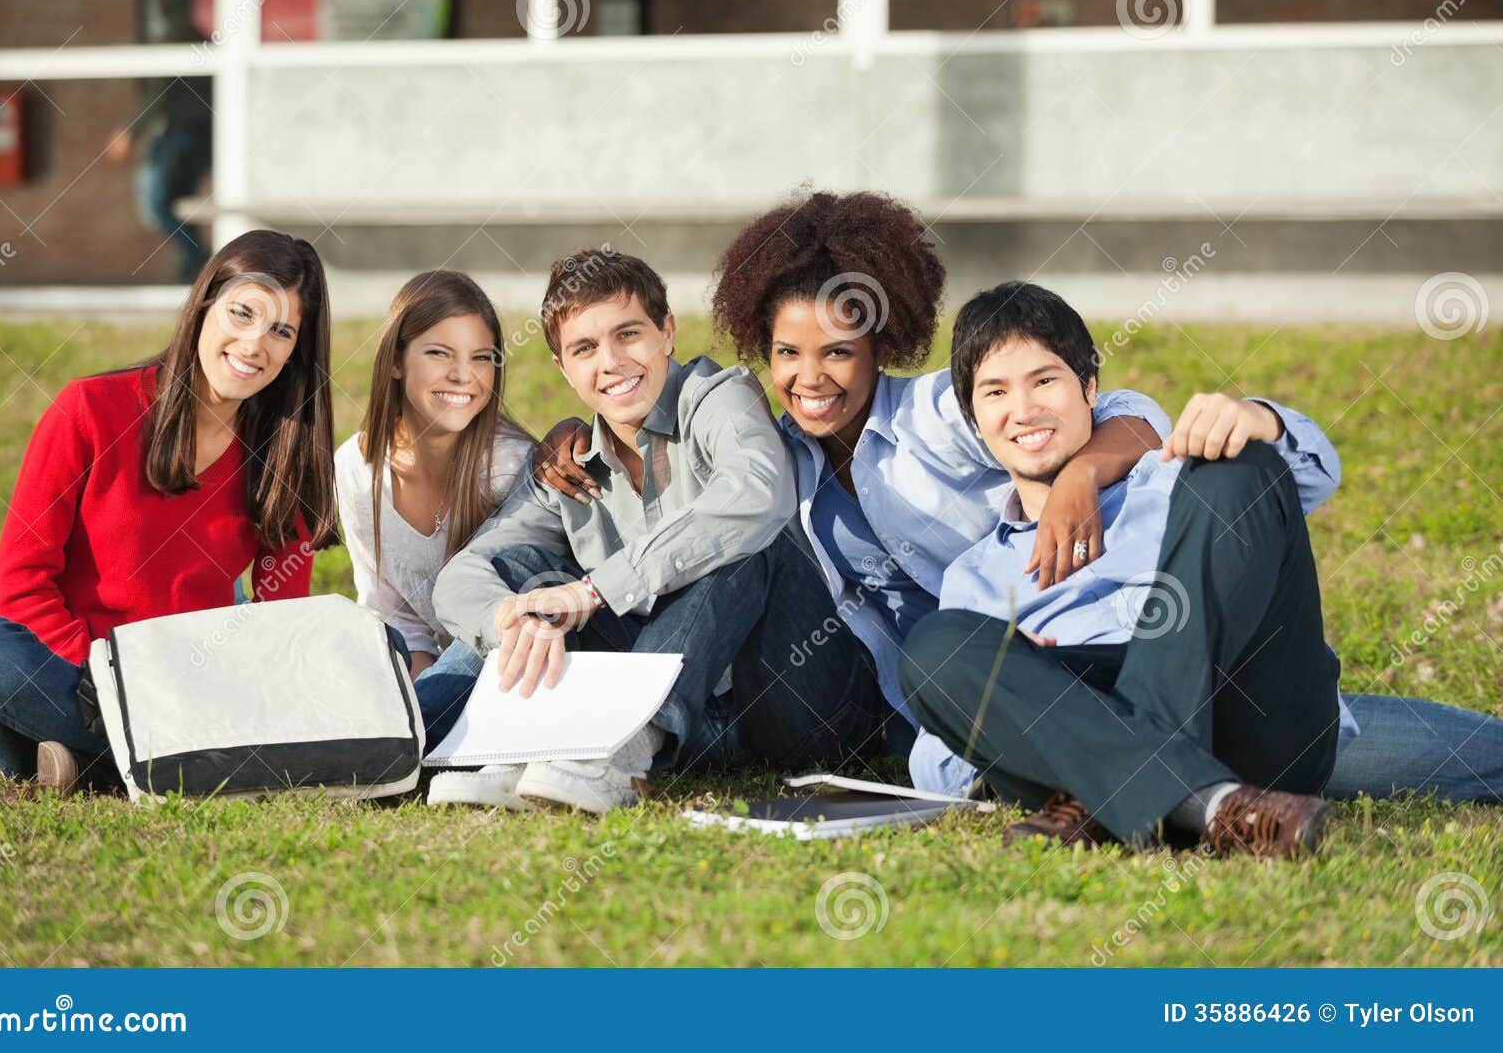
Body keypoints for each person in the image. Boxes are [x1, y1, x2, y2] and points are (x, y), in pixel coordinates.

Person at [540, 190, 1503, 809]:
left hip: (1142, 665)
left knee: (1445, 753)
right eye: (789, 353)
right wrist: (573, 438)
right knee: (947, 660)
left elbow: (1116, 413)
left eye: (840, 349)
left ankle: (1171, 787)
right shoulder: (776, 458)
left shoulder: (954, 412)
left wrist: (1084, 477)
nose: (813, 376)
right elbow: (690, 499)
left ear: (886, 343)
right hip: (965, 692)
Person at [424, 249, 888, 814]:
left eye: (629, 334)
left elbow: (757, 493)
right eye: (585, 349)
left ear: (667, 331)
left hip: (792, 704)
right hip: (686, 733)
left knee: (739, 545)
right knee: (522, 578)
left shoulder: (718, 399)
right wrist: (511, 619)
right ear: (562, 367)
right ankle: (439, 741)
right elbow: (464, 575)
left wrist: (592, 591)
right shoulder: (567, 463)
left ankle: (613, 749)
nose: (612, 362)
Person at [902, 282, 1348, 857]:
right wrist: (1037, 677)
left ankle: (1125, 787)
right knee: (936, 647)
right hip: (1091, 740)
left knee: (1235, 466)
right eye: (995, 392)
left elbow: (1308, 477)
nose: (1024, 409)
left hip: (1247, 719)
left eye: (1044, 380)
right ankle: (1216, 808)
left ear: (1089, 387)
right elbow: (937, 767)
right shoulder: (976, 579)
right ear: (975, 418)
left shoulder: (1169, 477)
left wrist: (1255, 417)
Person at [0, 231, 335, 794]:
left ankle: (91, 771)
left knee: (370, 651)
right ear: (204, 305)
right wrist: (110, 681)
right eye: (242, 313)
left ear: (295, 350)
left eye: (281, 331)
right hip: (84, 676)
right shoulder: (89, 409)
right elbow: (21, 581)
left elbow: (279, 620)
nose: (255, 344)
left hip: (197, 688)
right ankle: (150, 767)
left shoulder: (284, 450)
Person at [335, 271, 532, 722]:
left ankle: (414, 730)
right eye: (439, 353)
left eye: (481, 357)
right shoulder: (356, 468)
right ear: (395, 361)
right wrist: (428, 691)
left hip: (513, 665)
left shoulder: (509, 468)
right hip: (440, 675)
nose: (464, 375)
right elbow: (394, 616)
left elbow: (514, 618)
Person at [106, 0, 213, 283]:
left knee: (156, 203)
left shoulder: (175, 38)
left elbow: (158, 95)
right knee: (176, 204)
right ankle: (193, 267)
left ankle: (198, 260)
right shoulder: (197, 36)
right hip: (198, 139)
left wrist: (129, 132)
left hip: (182, 137)